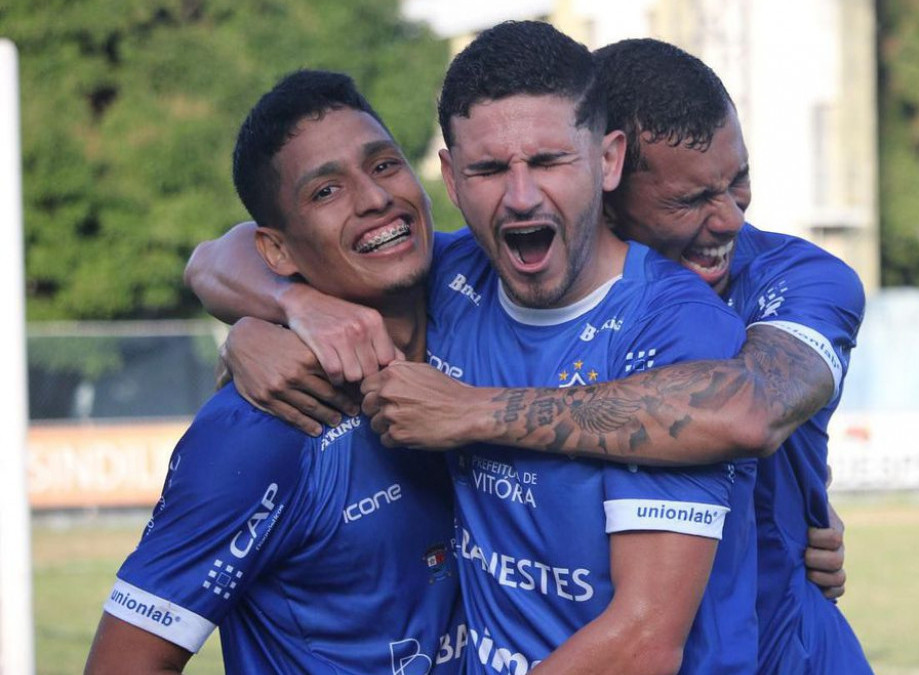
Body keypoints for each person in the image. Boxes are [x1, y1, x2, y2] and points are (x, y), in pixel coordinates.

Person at [186, 31, 863, 674]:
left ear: (604, 158)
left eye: (736, 181)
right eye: (690, 199)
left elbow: (748, 410)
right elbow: (224, 254)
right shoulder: (475, 270)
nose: (732, 219)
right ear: (614, 181)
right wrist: (287, 309)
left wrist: (474, 411)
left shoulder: (798, 279)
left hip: (789, 647)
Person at [84, 70, 463, 674]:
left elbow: (212, 262)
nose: (373, 198)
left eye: (385, 165)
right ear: (278, 251)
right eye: (325, 192)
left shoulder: (483, 289)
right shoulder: (258, 430)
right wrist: (284, 308)